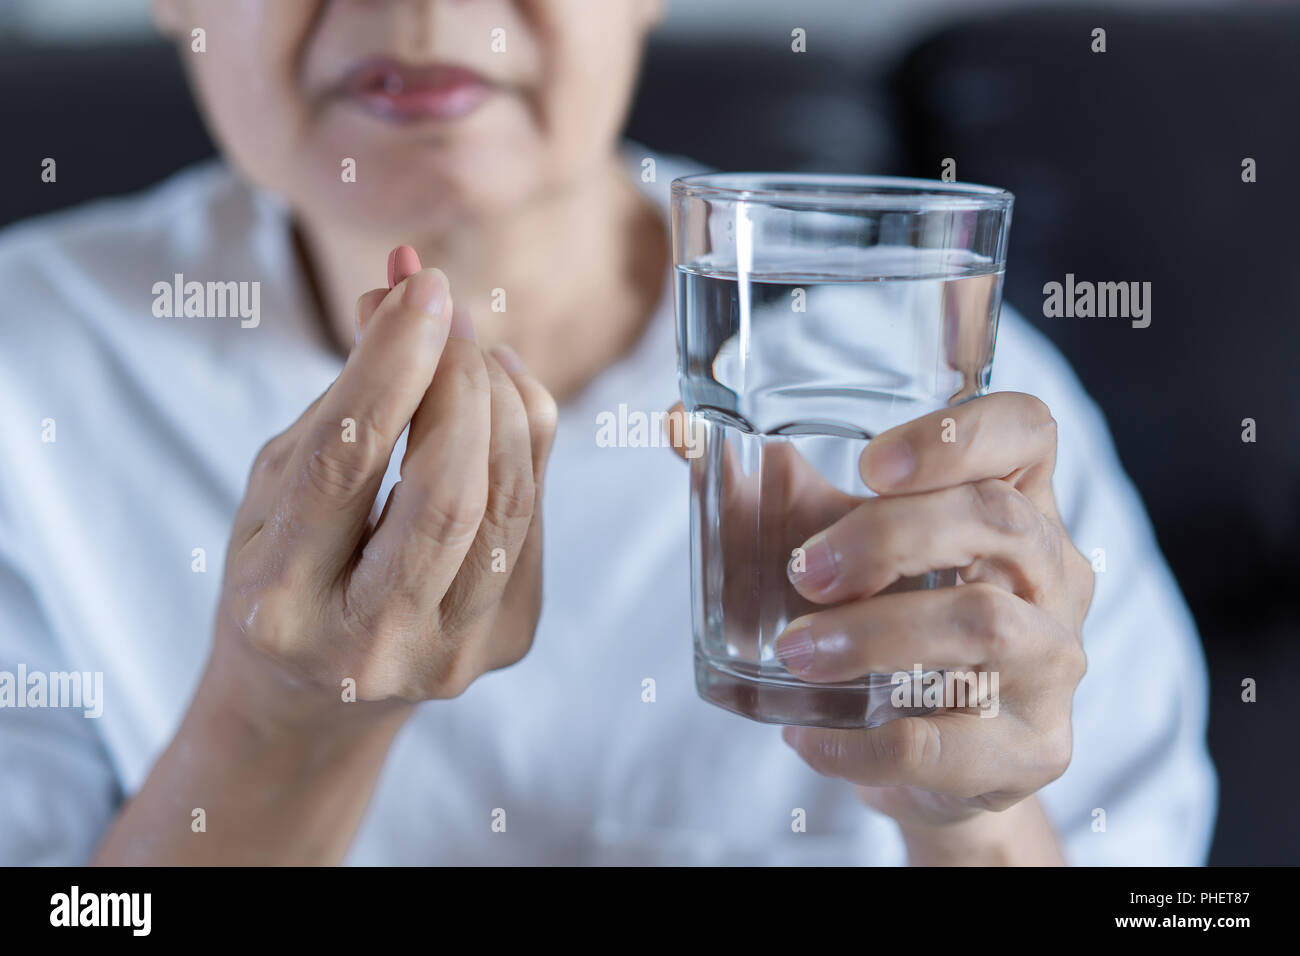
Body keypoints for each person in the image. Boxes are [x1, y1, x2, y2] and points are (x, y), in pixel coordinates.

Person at [0, 0, 1214, 865]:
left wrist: (974, 820)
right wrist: (275, 720)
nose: (421, 12)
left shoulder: (942, 390)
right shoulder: (30, 358)